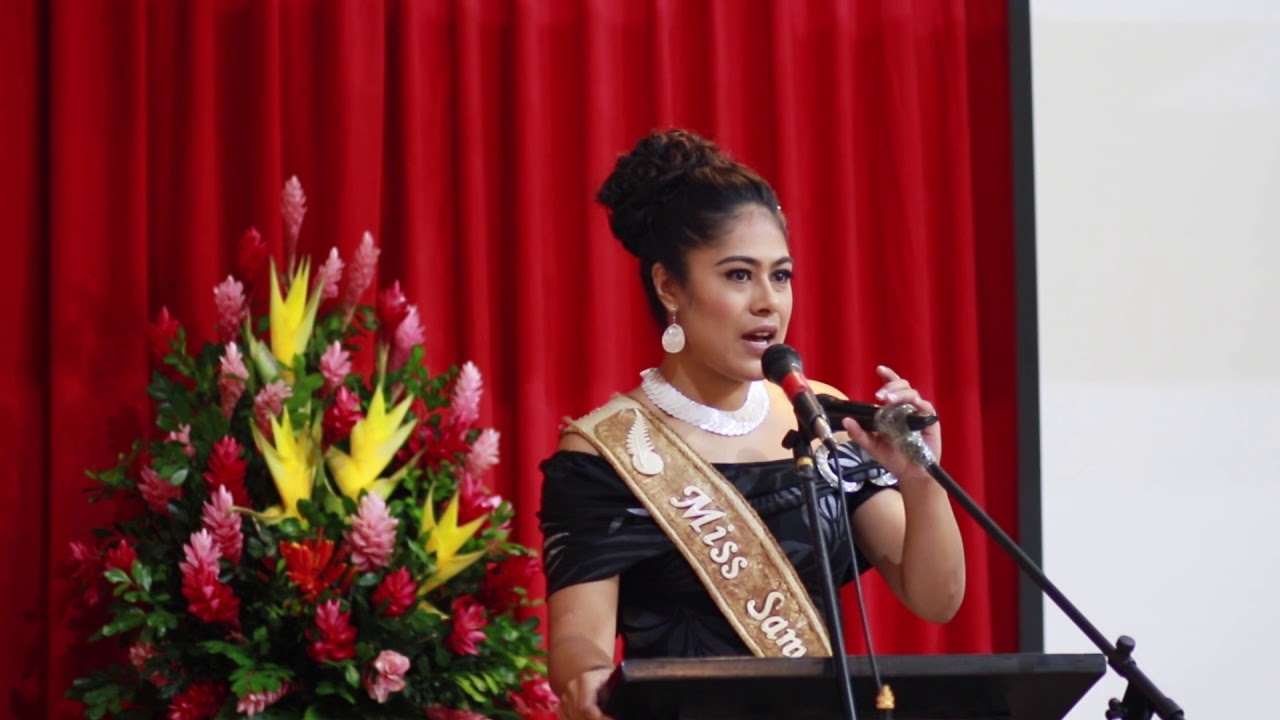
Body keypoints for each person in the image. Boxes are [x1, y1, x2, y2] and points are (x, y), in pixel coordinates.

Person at [539, 129, 965, 720]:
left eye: (781, 276)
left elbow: (935, 598)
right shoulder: (607, 449)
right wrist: (587, 677)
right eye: (739, 276)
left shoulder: (820, 413)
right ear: (669, 286)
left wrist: (920, 479)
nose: (769, 302)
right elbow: (576, 636)